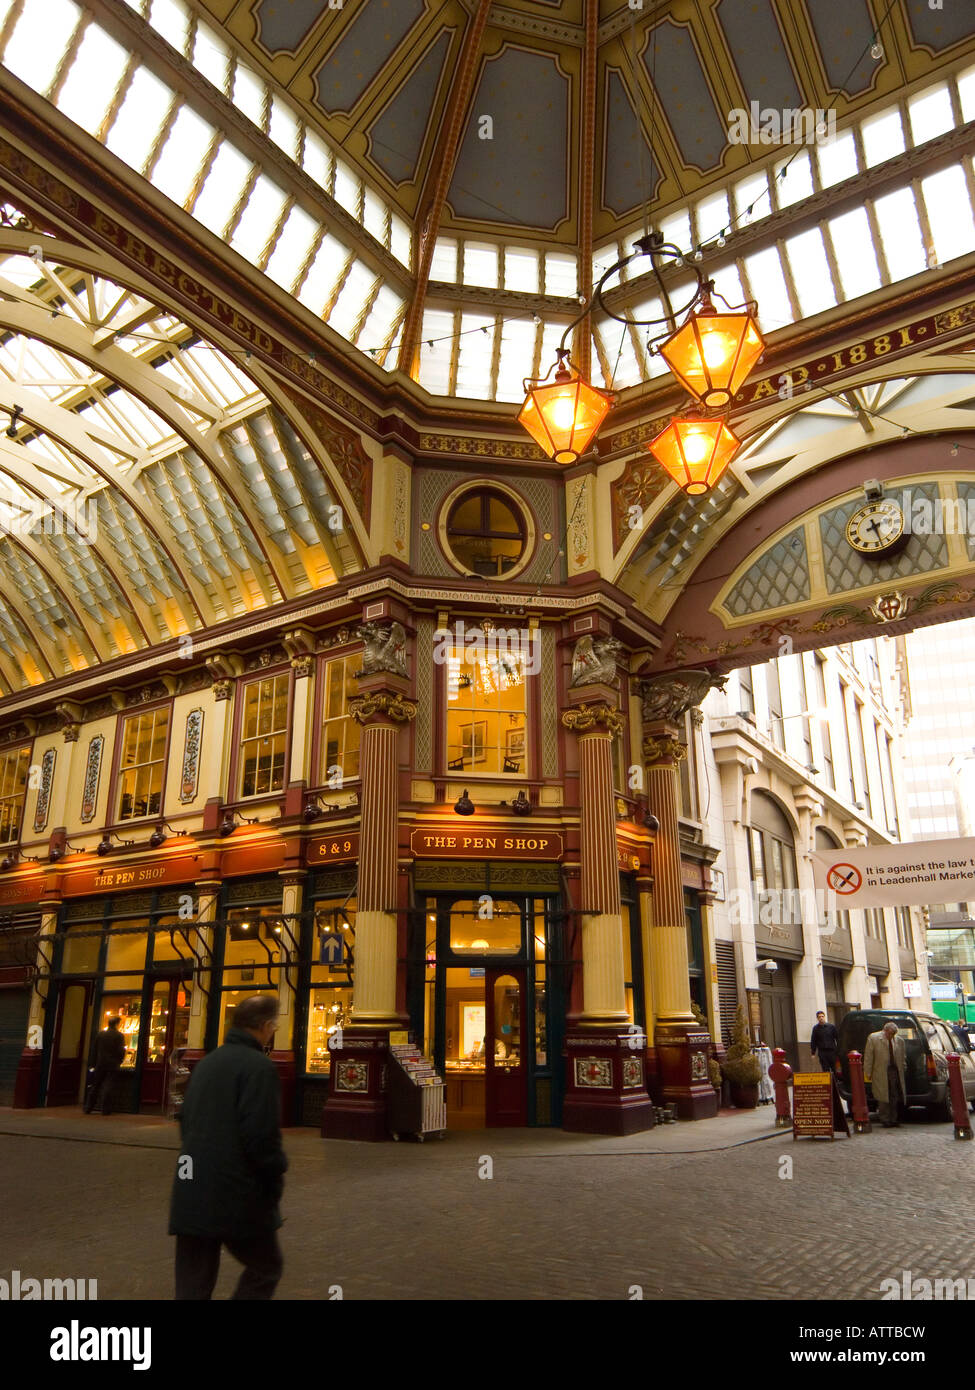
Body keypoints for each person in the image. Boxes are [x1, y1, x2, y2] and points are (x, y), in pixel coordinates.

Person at [169, 995, 287, 1299]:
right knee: (266, 1267)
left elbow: (186, 1120)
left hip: (191, 1189)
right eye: (273, 1026)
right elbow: (261, 1137)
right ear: (263, 1026)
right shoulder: (259, 1068)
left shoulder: (207, 1063)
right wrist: (274, 1180)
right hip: (237, 1192)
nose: (273, 1032)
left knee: (193, 1282)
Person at [863, 1020, 907, 1127]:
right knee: (883, 1096)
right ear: (885, 1031)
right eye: (890, 1033)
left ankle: (894, 1118)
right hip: (881, 1071)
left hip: (894, 1071)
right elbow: (869, 1057)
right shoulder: (874, 1038)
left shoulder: (899, 1041)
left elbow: (903, 1056)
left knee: (894, 1095)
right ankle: (885, 1118)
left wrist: (904, 1067)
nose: (892, 1036)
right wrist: (867, 1072)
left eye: (894, 1034)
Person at [84, 1016, 126, 1114]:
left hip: (100, 1063)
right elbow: (121, 1051)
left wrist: (93, 1063)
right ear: (116, 1024)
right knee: (109, 1085)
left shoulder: (101, 1034)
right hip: (112, 1063)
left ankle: (89, 1107)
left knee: (96, 1085)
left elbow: (94, 1049)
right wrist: (119, 1061)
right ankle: (105, 1109)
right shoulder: (119, 1035)